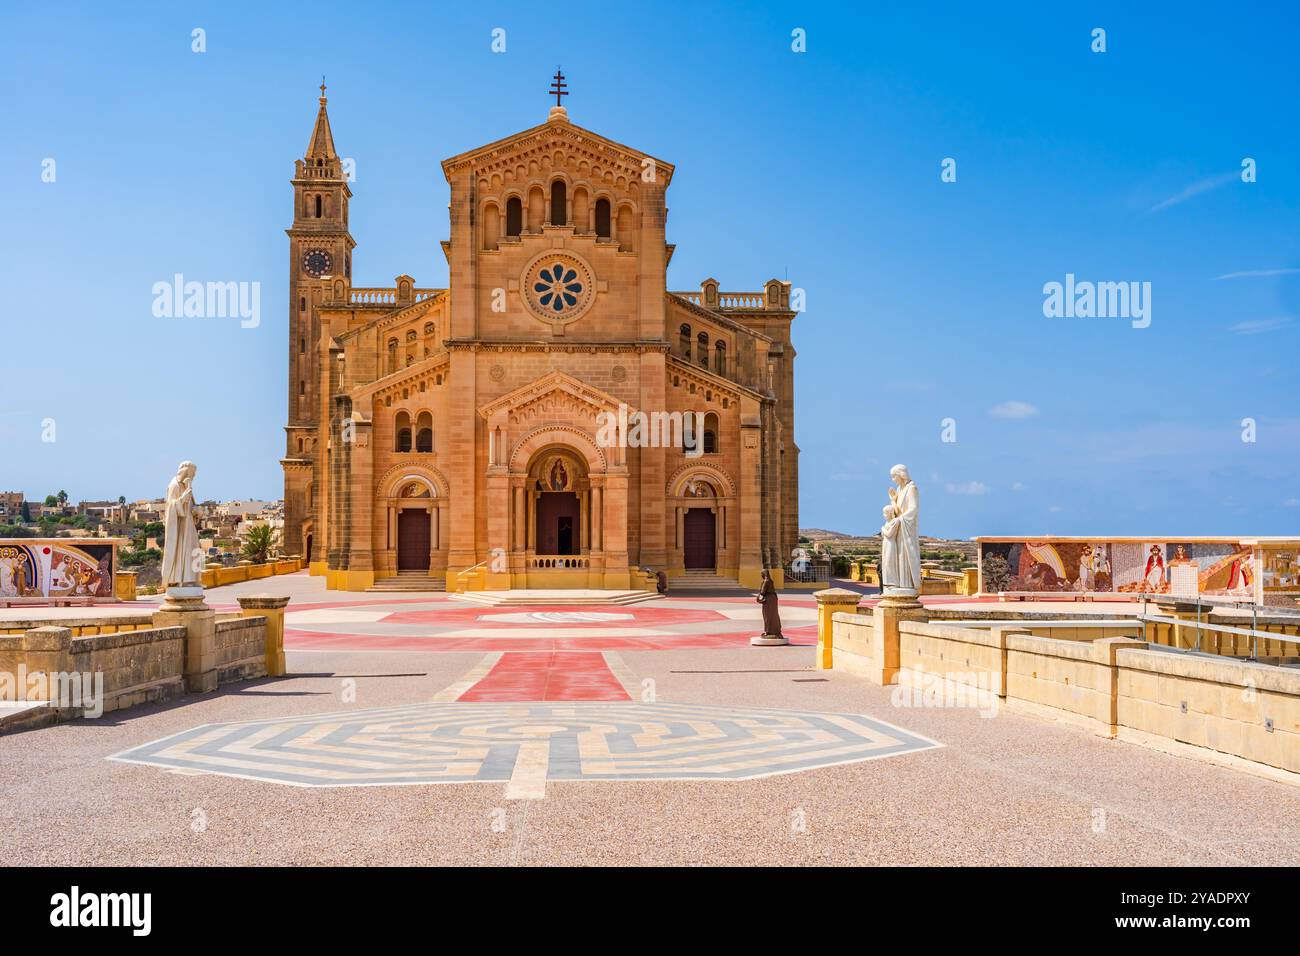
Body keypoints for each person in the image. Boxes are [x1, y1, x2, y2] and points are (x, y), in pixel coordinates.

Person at [756, 568, 782, 639]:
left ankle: (768, 631)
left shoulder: (766, 581)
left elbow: (762, 592)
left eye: (761, 574)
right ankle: (776, 630)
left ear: (763, 574)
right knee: (774, 614)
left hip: (768, 600)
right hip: (773, 598)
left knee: (767, 615)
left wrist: (759, 594)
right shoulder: (771, 581)